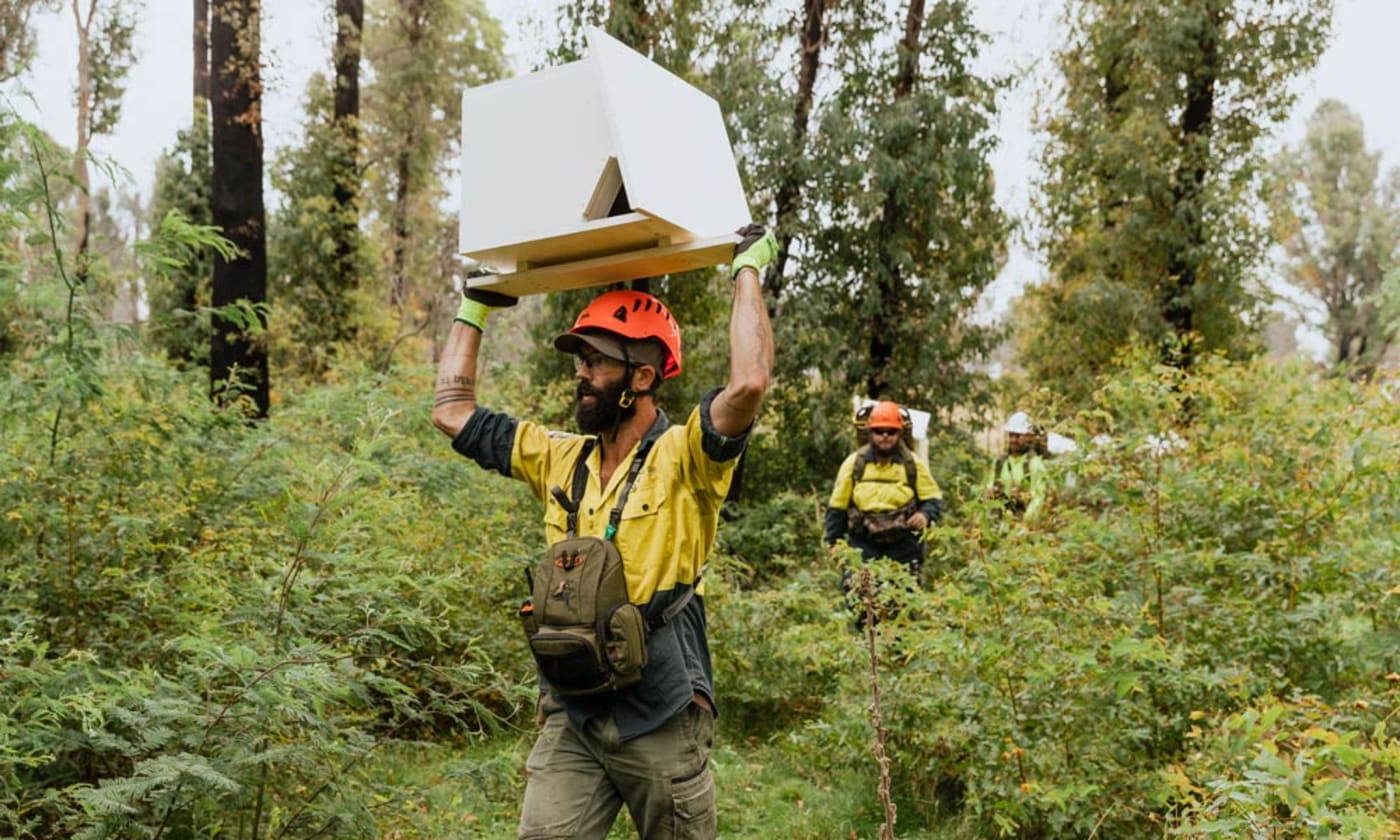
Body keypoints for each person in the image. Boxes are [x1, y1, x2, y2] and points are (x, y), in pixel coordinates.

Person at [431, 225, 777, 839]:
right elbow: (449, 411)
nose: (581, 374)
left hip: (662, 706)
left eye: (596, 361)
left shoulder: (686, 455)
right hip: (576, 709)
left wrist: (745, 270)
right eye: (580, 360)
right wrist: (474, 308)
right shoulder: (557, 455)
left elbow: (748, 384)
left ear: (641, 378)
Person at [824, 400, 944, 591]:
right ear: (870, 432)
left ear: (900, 434)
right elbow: (837, 507)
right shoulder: (854, 463)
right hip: (863, 543)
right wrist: (833, 543)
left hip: (904, 545)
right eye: (879, 431)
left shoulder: (912, 464)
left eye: (891, 431)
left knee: (903, 601)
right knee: (860, 597)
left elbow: (933, 500)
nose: (885, 436)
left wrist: (924, 515)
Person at [985, 410, 1049, 517]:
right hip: (999, 522)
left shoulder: (1035, 464)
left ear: (1028, 437)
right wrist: (991, 491)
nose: (1013, 440)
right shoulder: (1000, 462)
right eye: (1011, 435)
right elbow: (991, 484)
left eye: (1018, 436)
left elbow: (1039, 498)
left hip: (1022, 523)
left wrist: (1024, 525)